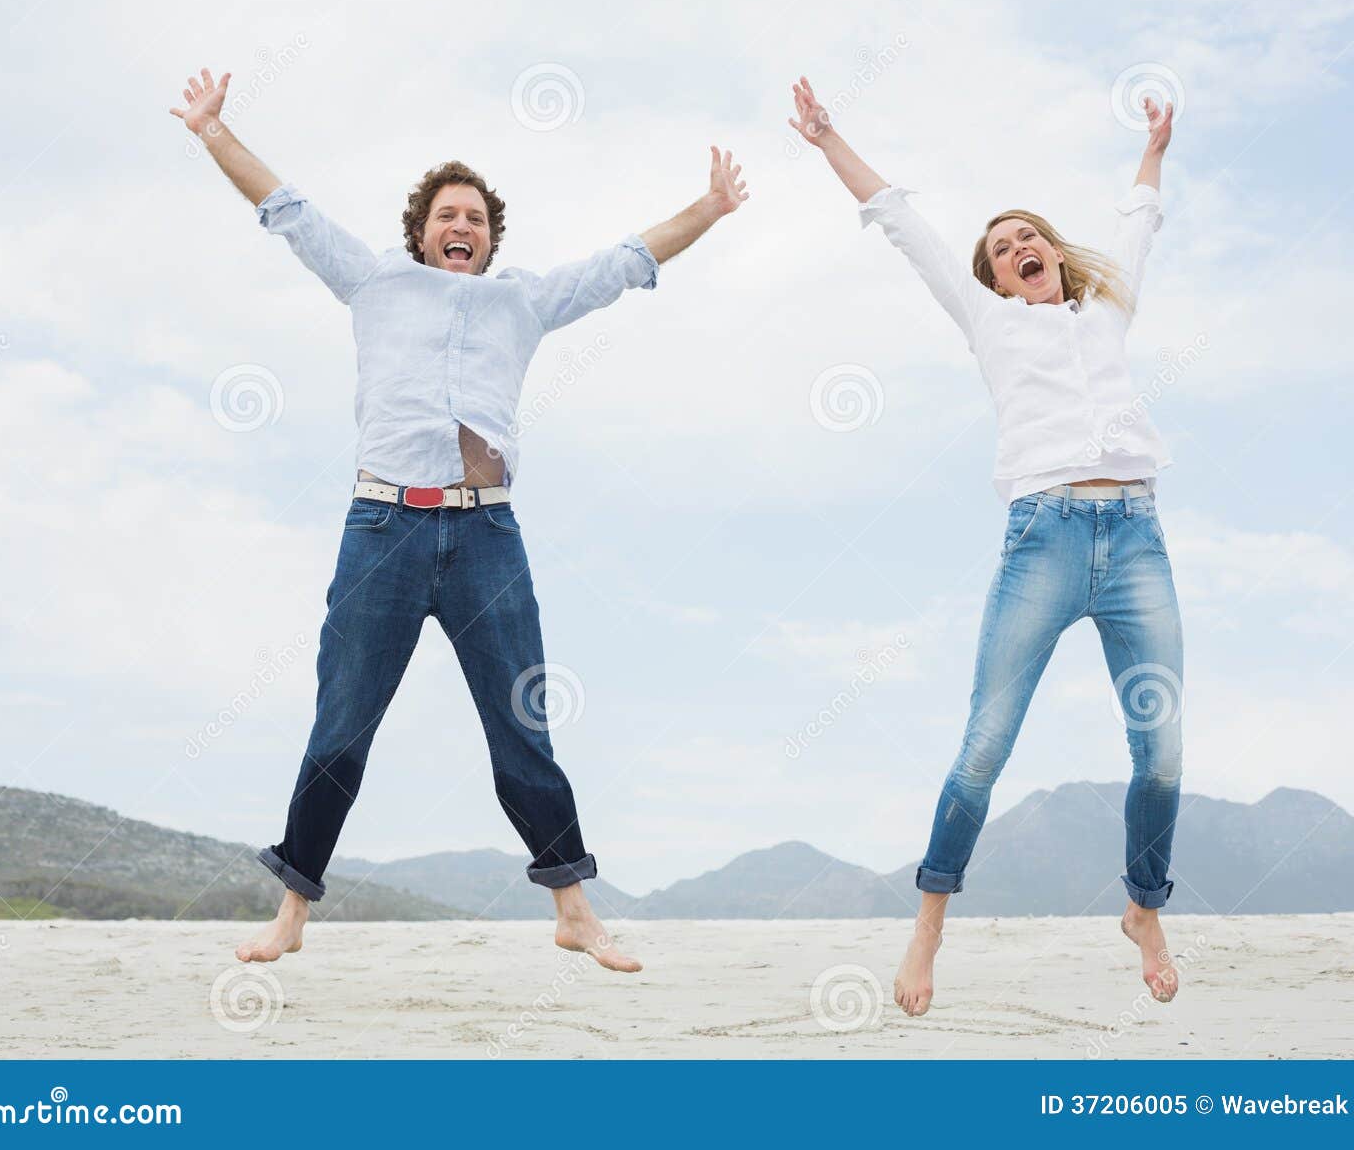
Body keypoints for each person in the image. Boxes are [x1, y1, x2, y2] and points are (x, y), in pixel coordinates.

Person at [170, 67, 749, 971]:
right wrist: (212, 131)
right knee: (342, 724)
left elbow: (626, 262)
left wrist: (708, 210)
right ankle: (291, 909)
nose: (462, 227)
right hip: (383, 532)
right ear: (421, 231)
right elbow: (284, 206)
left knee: (523, 725)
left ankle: (572, 907)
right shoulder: (371, 281)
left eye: (476, 218)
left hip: (487, 538)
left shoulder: (521, 300)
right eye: (448, 214)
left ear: (490, 240)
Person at [788, 76, 1183, 1014]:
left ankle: (1142, 905)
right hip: (1041, 538)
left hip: (1135, 538)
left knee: (1161, 752)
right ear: (997, 280)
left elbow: (1139, 219)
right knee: (983, 749)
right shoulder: (989, 322)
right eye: (1003, 251)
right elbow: (899, 221)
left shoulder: (1108, 310)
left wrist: (1157, 148)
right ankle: (928, 925)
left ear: (1053, 254)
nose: (1019, 251)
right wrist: (830, 138)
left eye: (1029, 238)